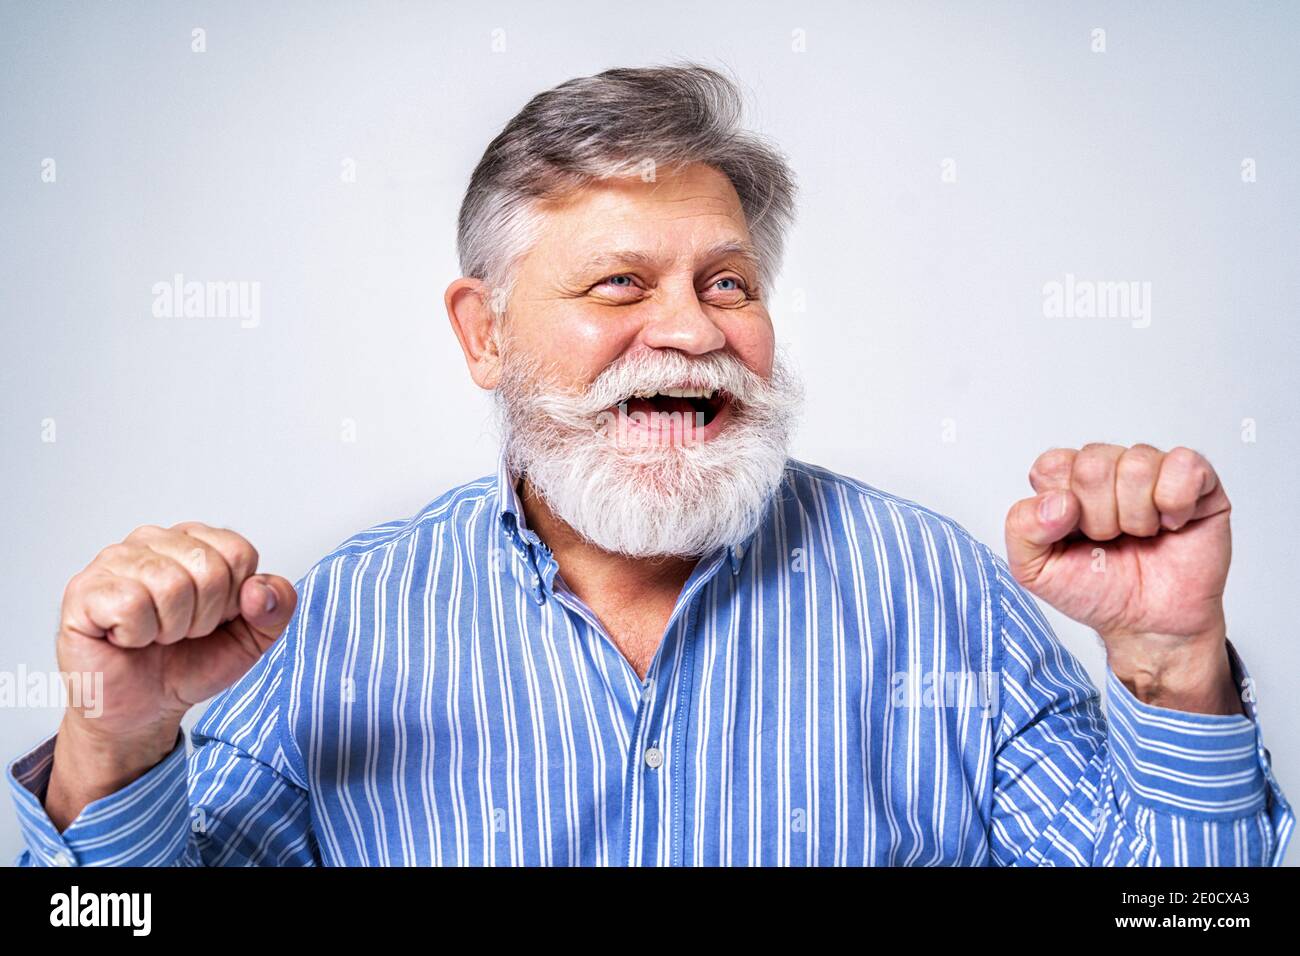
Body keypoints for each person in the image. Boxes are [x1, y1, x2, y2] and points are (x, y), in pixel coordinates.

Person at [8, 64, 1292, 866]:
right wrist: (111, 750)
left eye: (725, 281)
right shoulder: (343, 620)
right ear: (485, 331)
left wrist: (1175, 663)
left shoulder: (929, 588)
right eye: (620, 280)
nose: (689, 328)